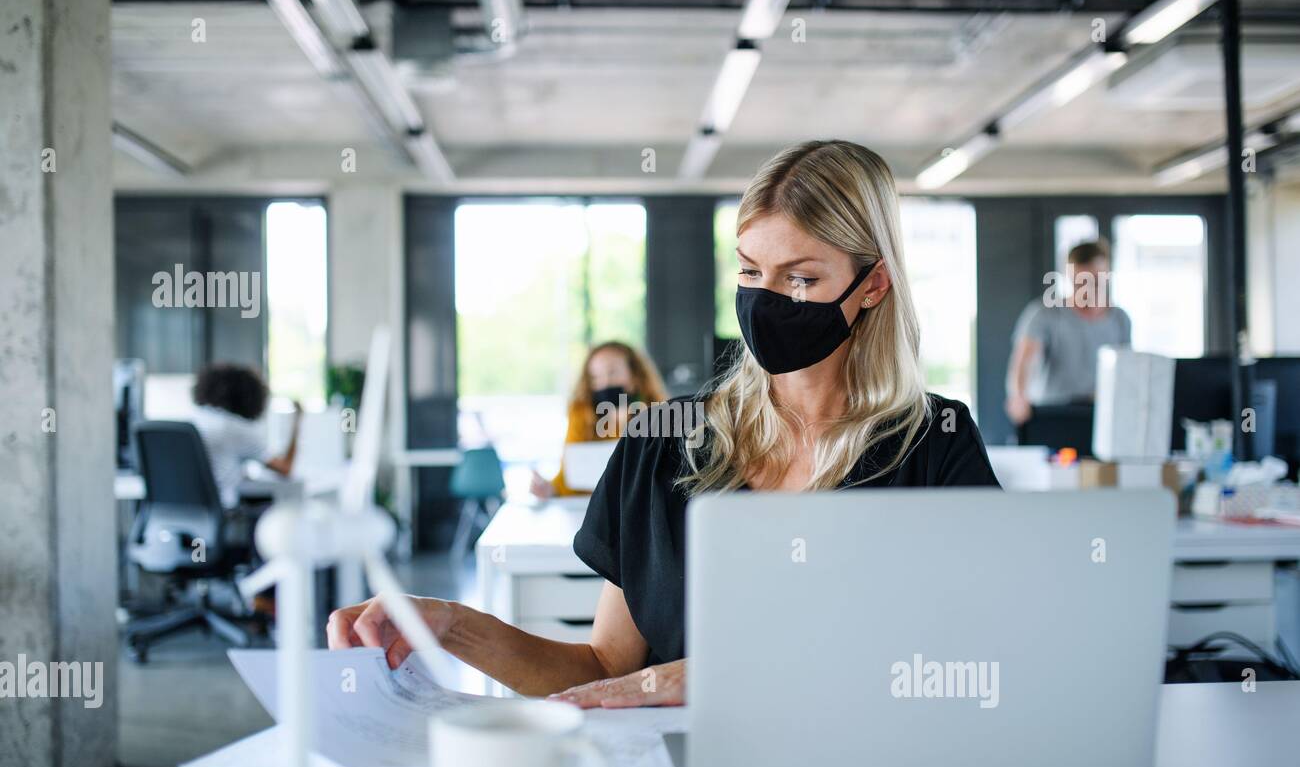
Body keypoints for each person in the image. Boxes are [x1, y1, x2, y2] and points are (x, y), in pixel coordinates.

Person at [327, 139, 999, 707]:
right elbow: (603, 670)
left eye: (800, 279)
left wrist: (713, 681)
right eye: (750, 270)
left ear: (873, 285)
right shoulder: (663, 439)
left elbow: (962, 668)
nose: (766, 300)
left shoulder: (934, 447)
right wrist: (448, 626)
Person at [1005, 239, 1132, 427]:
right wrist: (1019, 396)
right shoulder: (1046, 313)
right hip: (1053, 415)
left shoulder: (1120, 319)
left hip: (1102, 416)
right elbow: (1024, 360)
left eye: (1095, 281)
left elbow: (1126, 369)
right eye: (1081, 282)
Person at [529, 341, 668, 499]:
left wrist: (623, 424)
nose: (604, 383)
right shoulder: (581, 413)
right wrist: (549, 490)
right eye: (596, 377)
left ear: (635, 377)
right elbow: (569, 477)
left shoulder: (658, 414)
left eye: (612, 373)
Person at [190, 363, 301, 509]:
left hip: (180, 513)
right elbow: (285, 468)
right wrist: (297, 423)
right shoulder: (233, 427)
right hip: (222, 512)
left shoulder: (196, 417)